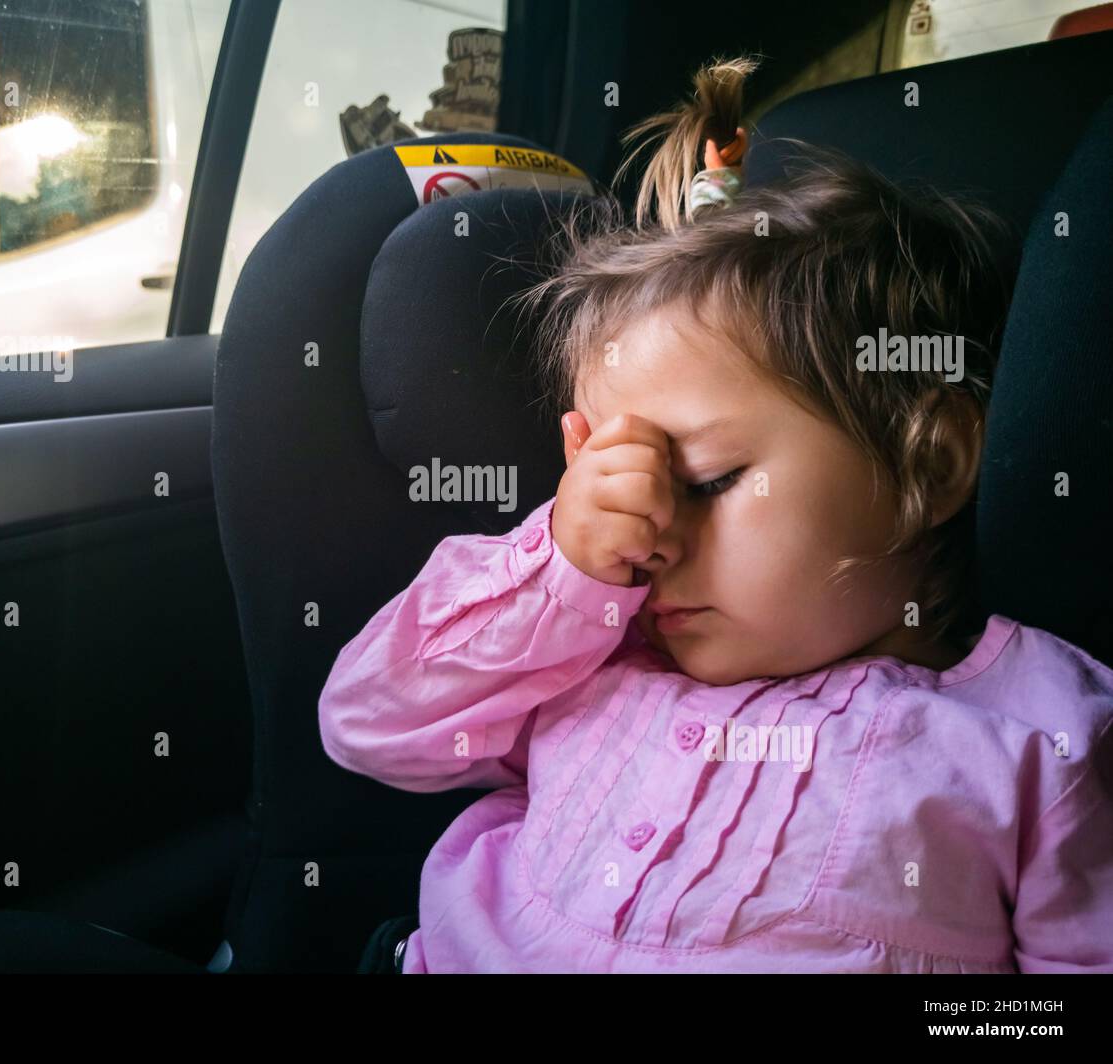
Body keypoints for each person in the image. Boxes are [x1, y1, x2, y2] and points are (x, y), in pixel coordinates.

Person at [318, 57, 1113, 973]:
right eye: (618, 482)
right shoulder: (587, 658)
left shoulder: (1035, 740)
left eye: (701, 480)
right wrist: (564, 569)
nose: (649, 539)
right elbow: (369, 726)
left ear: (926, 461)